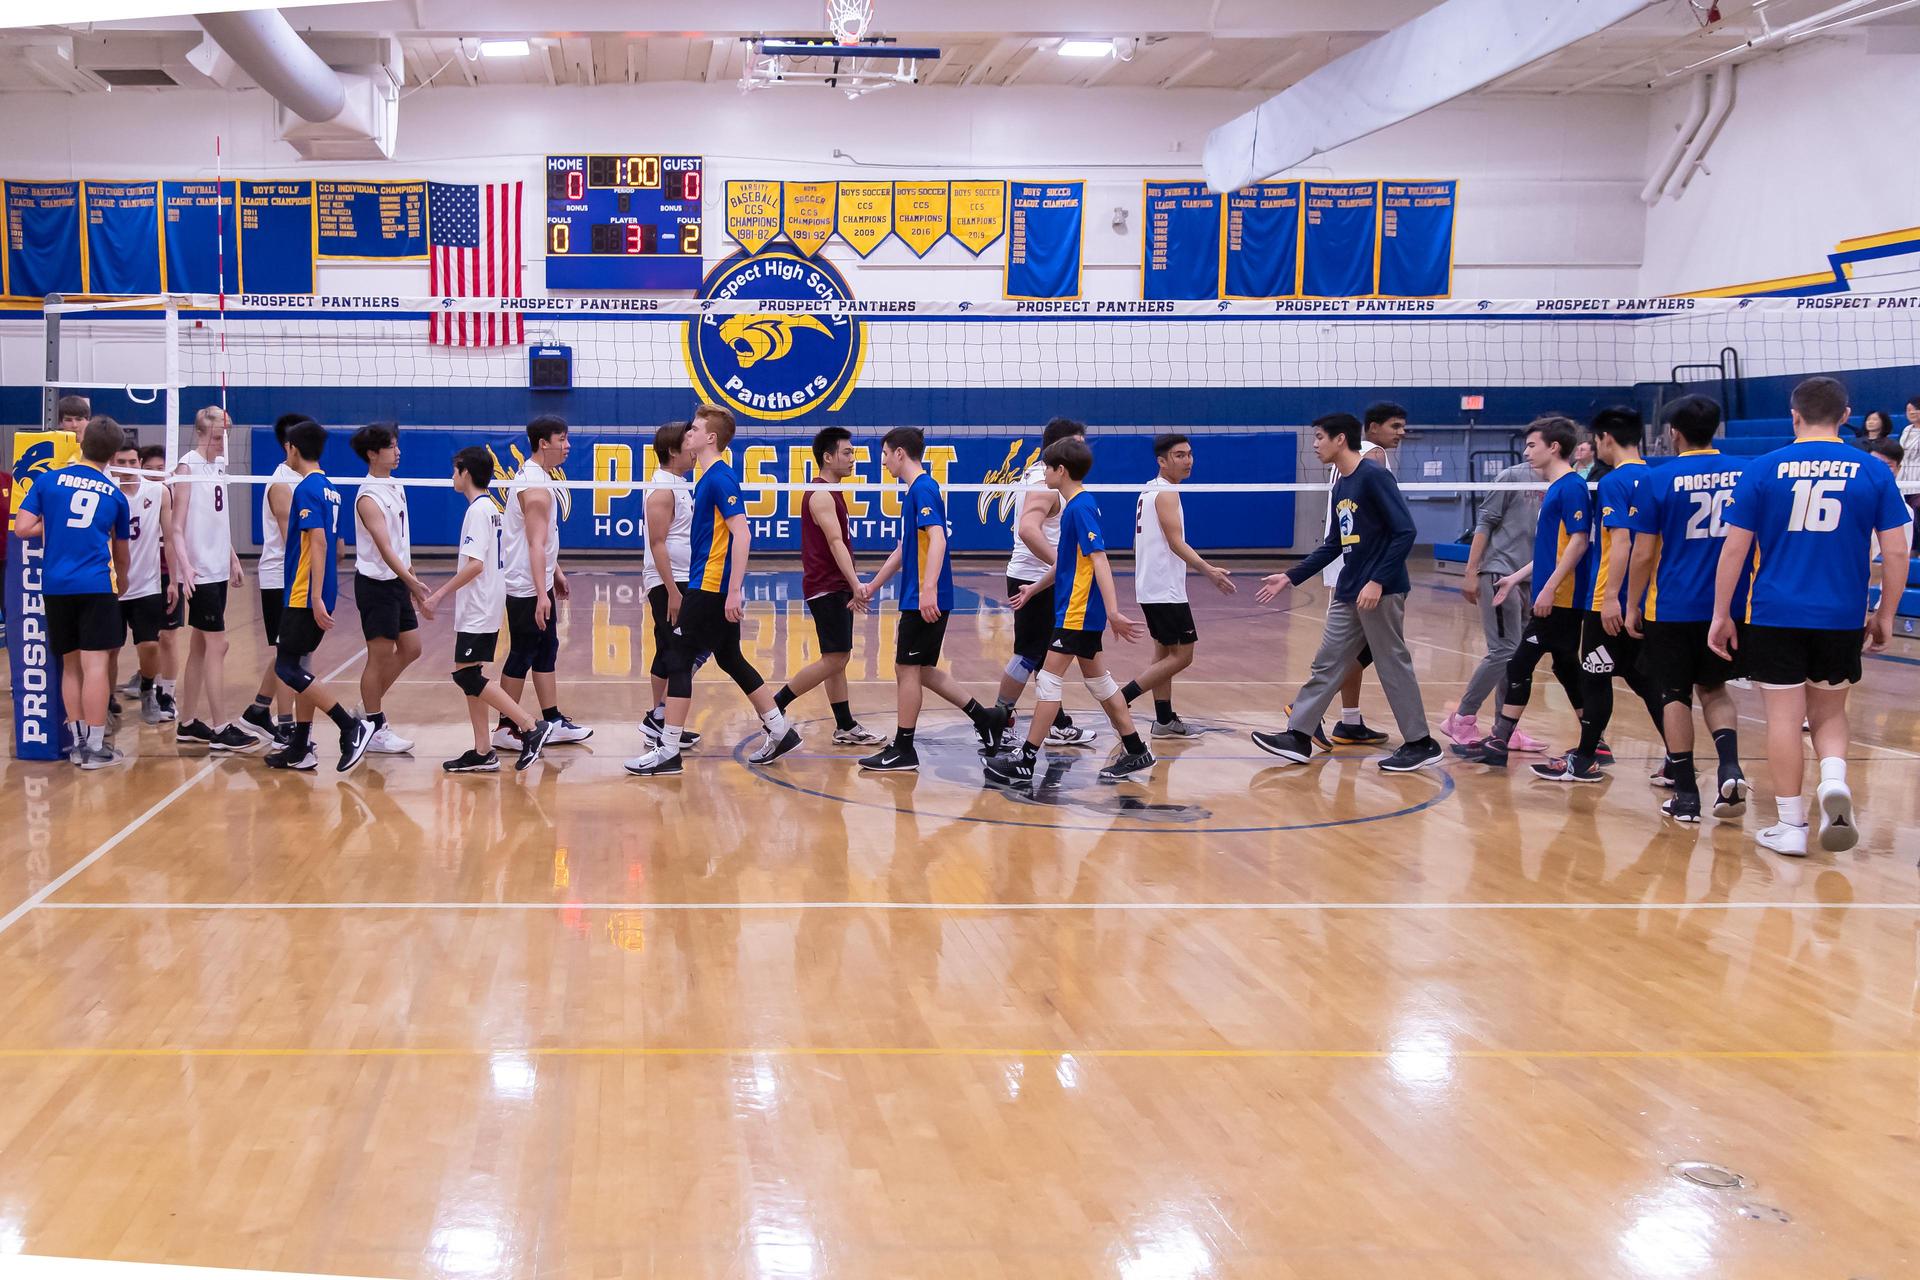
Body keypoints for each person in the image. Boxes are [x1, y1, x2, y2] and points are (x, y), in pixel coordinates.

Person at [1710, 376, 1911, 856]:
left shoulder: (1762, 468)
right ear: (1846, 416)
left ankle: (1791, 826)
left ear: (1794, 415)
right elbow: (1897, 552)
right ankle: (1834, 781)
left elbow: (1734, 550)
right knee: (1830, 712)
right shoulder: (1873, 470)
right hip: (1841, 615)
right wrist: (1885, 614)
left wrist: (1721, 613)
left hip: (1775, 612)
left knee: (1784, 718)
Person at [1250, 413, 1441, 771]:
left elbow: (1405, 532)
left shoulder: (1374, 476)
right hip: (1350, 587)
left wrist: (1378, 580)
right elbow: (1334, 543)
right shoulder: (1341, 485)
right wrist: (1290, 576)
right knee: (1327, 662)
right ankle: (1298, 736)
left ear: (1340, 439)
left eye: (1320, 437)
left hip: (1380, 590)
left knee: (1391, 663)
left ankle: (1420, 743)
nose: (1314, 445)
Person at [624, 403, 802, 777]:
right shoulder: (706, 479)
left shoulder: (720, 478)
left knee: (678, 657)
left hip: (711, 585)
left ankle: (668, 750)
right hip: (709, 582)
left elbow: (743, 533)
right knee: (730, 657)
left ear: (710, 438)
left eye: (694, 429)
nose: (687, 433)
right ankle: (779, 729)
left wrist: (734, 590)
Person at [982, 437, 1155, 786]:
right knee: (1099, 681)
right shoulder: (1075, 505)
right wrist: (1034, 588)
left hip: (1078, 611)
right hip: (1076, 608)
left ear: (1061, 470)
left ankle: (1026, 758)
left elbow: (1099, 559)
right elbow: (1067, 563)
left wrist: (1113, 611)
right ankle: (1136, 749)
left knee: (1048, 679)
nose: (1042, 472)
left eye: (1046, 467)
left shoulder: (1079, 508)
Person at [852, 427, 1011, 773]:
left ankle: (903, 748)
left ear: (899, 453)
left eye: (885, 454)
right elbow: (903, 549)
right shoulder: (916, 490)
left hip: (924, 597)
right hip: (921, 594)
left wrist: (928, 589)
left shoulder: (923, 488)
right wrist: (872, 585)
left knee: (906, 669)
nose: (883, 462)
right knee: (921, 670)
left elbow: (938, 539)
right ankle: (986, 718)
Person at [1625, 394, 1750, 824]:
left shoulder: (1657, 479)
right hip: (1727, 606)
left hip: (1672, 606)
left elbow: (1643, 554)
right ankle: (1730, 767)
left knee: (1674, 695)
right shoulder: (1745, 473)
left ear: (1673, 432)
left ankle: (1686, 796)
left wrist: (1631, 604)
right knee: (1715, 689)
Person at [1531, 407, 1665, 784]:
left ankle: (1586, 758)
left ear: (1605, 439)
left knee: (1594, 676)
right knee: (1642, 679)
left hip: (1609, 597)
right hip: (1645, 598)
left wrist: (1611, 598)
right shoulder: (1656, 478)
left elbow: (1622, 543)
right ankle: (1677, 757)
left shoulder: (1613, 481)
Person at [1456, 417, 1594, 768]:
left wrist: (1547, 588)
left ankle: (1498, 739)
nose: (1526, 451)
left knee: (1520, 662)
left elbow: (1578, 542)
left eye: (1532, 445)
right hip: (1543, 588)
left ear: (1554, 447)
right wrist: (1514, 577)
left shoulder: (1570, 487)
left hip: (1560, 596)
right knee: (1559, 667)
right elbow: (1550, 550)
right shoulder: (1554, 487)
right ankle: (1592, 744)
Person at [421, 447, 553, 773]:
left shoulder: (478, 511)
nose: (452, 477)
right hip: (486, 604)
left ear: (465, 472)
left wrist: (438, 595)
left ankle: (529, 726)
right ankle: (483, 750)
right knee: (472, 677)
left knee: (466, 675)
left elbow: (475, 565)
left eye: (455, 470)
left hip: (478, 607)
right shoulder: (492, 509)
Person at [13, 415, 132, 768]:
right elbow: (122, 554)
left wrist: (55, 523)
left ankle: (79, 744)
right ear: (113, 455)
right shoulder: (115, 495)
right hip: (96, 584)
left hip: (56, 584)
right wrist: (123, 582)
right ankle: (96, 747)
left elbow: (22, 529)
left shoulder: (48, 481)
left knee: (70, 664)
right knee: (95, 664)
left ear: (81, 443)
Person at [264, 420, 374, 773]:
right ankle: (300, 747)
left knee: (287, 667)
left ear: (292, 449)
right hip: (318, 589)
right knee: (300, 666)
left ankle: (350, 726)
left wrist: (313, 597)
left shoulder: (307, 489)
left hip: (303, 592)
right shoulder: (330, 488)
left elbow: (320, 543)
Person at [1115, 433, 1236, 736]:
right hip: (1165, 589)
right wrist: (1209, 570)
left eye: (1189, 454)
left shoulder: (1148, 490)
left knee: (1163, 653)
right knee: (1183, 656)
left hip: (1151, 586)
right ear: (1162, 461)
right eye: (1179, 455)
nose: (1188, 460)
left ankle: (1164, 720)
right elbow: (1175, 542)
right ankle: (1120, 699)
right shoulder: (1166, 493)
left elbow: (1136, 542)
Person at [770, 426, 885, 745]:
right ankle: (774, 706)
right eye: (847, 453)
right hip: (827, 586)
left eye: (852, 453)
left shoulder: (832, 491)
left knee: (837, 658)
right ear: (828, 457)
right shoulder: (821, 494)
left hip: (833, 585)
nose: (852, 458)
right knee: (836, 659)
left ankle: (845, 725)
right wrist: (856, 583)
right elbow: (836, 543)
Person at [1309, 401, 1410, 747]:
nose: (1401, 433)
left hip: (1350, 567)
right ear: (1372, 427)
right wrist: (1378, 577)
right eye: (1395, 426)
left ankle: (1348, 720)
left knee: (1355, 649)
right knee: (1362, 651)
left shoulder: (1348, 463)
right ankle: (1307, 711)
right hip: (1362, 569)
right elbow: (1394, 526)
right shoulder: (1372, 458)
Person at [994, 417, 1097, 749]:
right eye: (1077, 445)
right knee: (1029, 653)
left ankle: (1057, 723)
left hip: (1039, 576)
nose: (1083, 452)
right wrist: (1061, 563)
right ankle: (998, 721)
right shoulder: (1044, 482)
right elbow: (1028, 529)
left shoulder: (1045, 475)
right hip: (1034, 578)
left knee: (1046, 655)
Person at [1439, 458, 1550, 752]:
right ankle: (1461, 718)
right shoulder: (1512, 476)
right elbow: (1484, 523)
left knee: (1517, 656)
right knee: (1504, 650)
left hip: (1529, 577)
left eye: (1533, 444)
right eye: (1528, 443)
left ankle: (1505, 729)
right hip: (1499, 572)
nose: (1527, 450)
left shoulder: (1562, 481)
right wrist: (1471, 572)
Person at [494, 415, 591, 750]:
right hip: (525, 585)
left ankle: (552, 720)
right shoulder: (535, 488)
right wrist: (540, 593)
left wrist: (556, 572)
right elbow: (534, 544)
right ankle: (506, 727)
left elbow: (541, 540)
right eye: (561, 439)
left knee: (547, 648)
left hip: (537, 579)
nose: (568, 446)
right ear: (543, 443)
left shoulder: (541, 478)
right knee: (522, 652)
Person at [170, 405, 258, 751]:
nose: (223, 443)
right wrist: (185, 566)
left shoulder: (219, 465)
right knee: (218, 646)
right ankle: (221, 727)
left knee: (199, 647)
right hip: (201, 572)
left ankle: (187, 722)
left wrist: (232, 556)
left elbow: (218, 519)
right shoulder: (187, 468)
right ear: (200, 433)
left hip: (218, 567)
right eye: (218, 437)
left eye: (225, 437)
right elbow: (176, 528)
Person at [351, 422, 432, 753]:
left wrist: (411, 580)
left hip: (396, 581)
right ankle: (374, 726)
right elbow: (384, 547)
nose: (398, 452)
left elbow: (401, 545)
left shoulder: (395, 486)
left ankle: (365, 711)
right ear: (373, 454)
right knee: (379, 657)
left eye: (397, 445)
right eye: (391, 447)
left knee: (412, 648)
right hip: (376, 585)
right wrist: (411, 581)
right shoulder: (368, 497)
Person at [243, 413, 310, 745]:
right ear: (290, 446)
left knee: (291, 649)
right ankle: (285, 725)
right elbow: (292, 542)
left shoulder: (308, 477)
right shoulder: (282, 484)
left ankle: (258, 710)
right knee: (289, 654)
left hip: (299, 576)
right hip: (281, 578)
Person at [637, 421, 703, 752]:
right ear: (673, 451)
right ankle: (661, 718)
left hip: (679, 578)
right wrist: (673, 592)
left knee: (667, 648)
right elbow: (657, 543)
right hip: (670, 582)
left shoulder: (678, 484)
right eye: (689, 441)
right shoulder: (663, 489)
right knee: (688, 649)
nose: (695, 448)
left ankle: (659, 720)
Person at [110, 435, 176, 726]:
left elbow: (169, 539)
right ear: (112, 463)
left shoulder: (158, 491)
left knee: (150, 645)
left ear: (139, 462)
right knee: (109, 650)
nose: (127, 468)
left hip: (147, 584)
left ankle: (148, 690)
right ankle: (106, 701)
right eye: (121, 463)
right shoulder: (107, 491)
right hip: (111, 586)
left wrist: (174, 580)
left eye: (132, 462)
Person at [136, 443, 182, 718]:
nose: (155, 474)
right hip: (139, 574)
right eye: (149, 469)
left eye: (160, 469)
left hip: (167, 573)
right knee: (146, 640)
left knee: (168, 636)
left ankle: (167, 694)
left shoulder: (173, 494)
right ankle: (145, 680)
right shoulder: (131, 494)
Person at [1897, 394, 1920, 519]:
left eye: (1916, 409)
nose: (1912, 412)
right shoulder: (1907, 429)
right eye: (1908, 410)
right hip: (1904, 481)